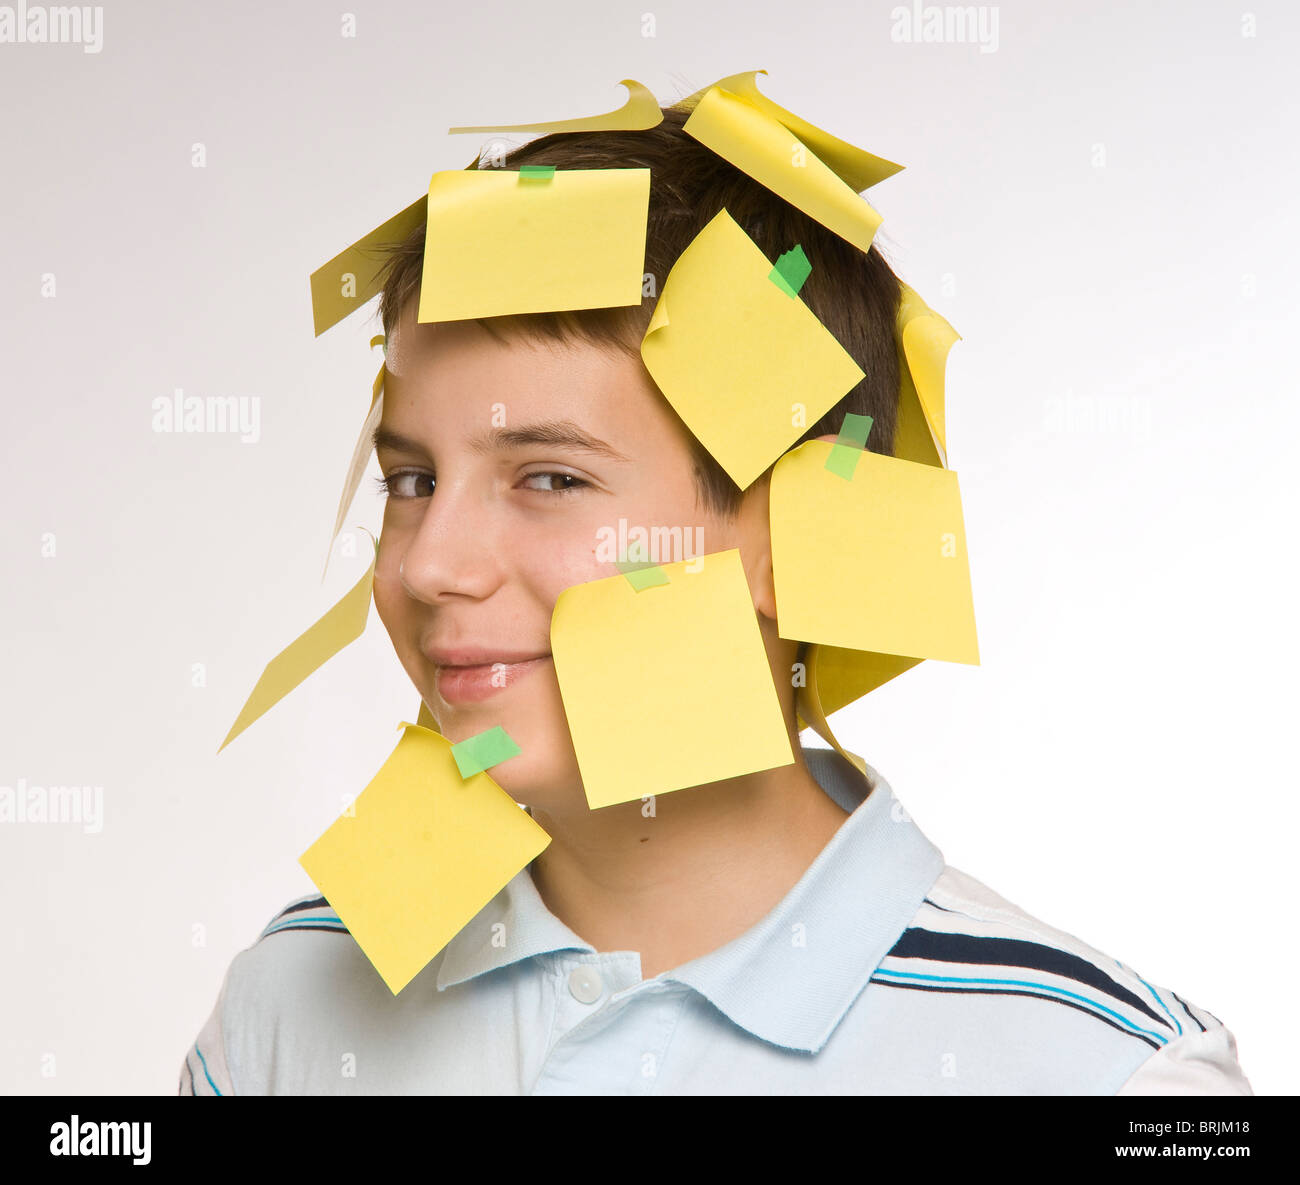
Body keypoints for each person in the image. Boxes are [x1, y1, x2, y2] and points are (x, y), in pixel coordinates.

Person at [179, 97, 1252, 1095]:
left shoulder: (1111, 1076)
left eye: (549, 478)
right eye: (411, 480)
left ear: (796, 532)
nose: (427, 565)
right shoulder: (291, 1006)